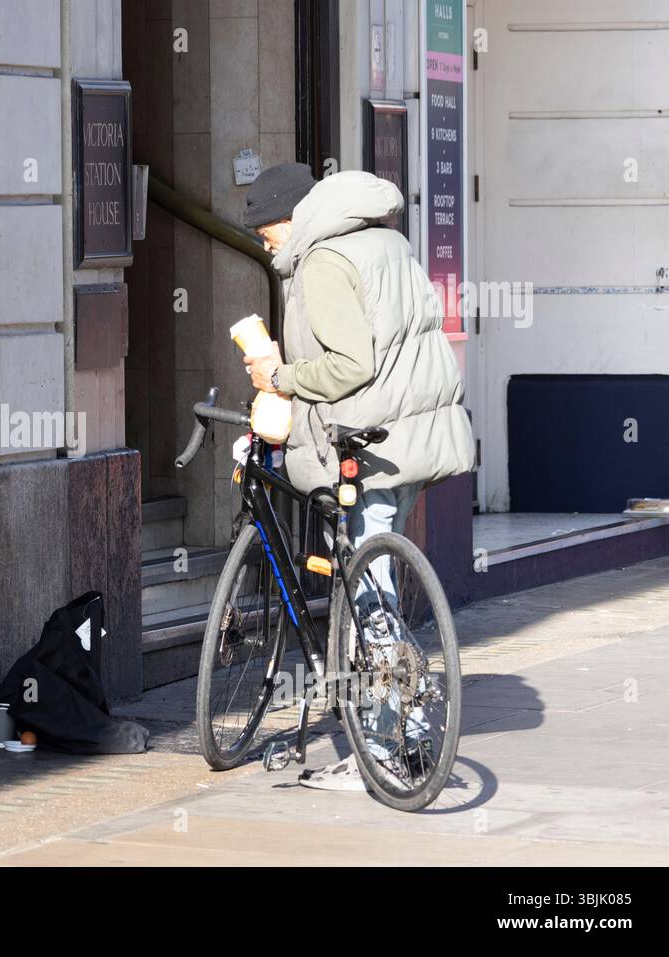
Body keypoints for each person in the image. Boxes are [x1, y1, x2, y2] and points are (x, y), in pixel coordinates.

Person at [240, 163, 475, 790]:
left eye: (266, 235)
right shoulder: (386, 241)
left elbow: (349, 364)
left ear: (289, 220)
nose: (267, 248)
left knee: (371, 603)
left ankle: (385, 749)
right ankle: (412, 739)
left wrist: (281, 379)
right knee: (382, 586)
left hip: (367, 444)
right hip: (410, 439)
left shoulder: (322, 264)